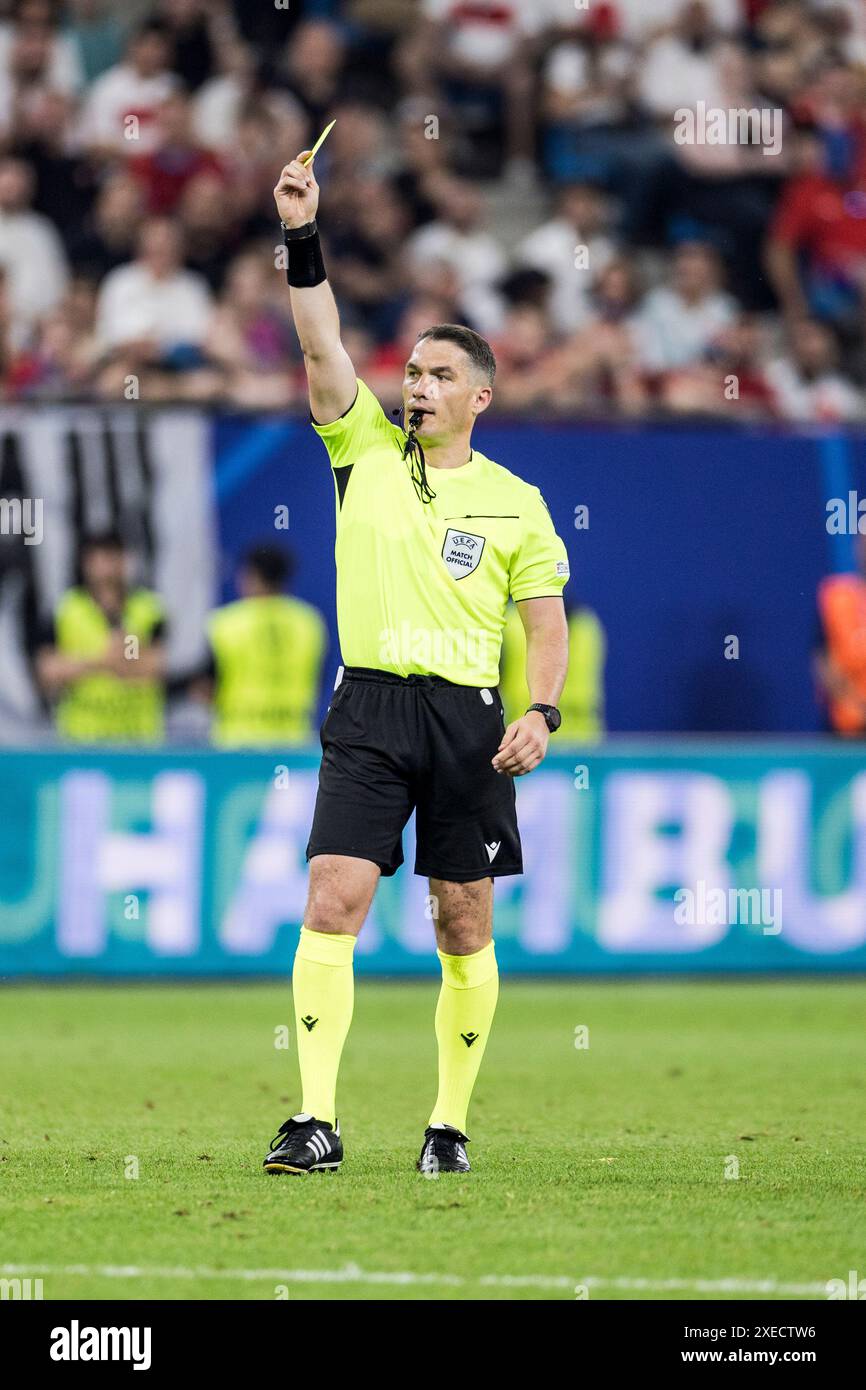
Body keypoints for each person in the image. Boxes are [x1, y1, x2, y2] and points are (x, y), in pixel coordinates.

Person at [262, 143, 570, 1177]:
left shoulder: (517, 503)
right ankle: (313, 1118)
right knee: (332, 894)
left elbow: (543, 624)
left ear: (478, 397)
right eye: (412, 371)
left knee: (461, 917)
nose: (417, 386)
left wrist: (543, 711)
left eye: (440, 375)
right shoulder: (360, 451)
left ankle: (446, 1126)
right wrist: (303, 234)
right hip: (370, 708)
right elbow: (318, 341)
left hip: (470, 721)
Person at [33, 530, 168, 743]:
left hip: (138, 738)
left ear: (124, 561)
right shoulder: (66, 610)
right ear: (85, 564)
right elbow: (48, 672)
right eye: (97, 560)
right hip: (82, 738)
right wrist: (101, 662)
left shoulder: (146, 609)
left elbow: (154, 666)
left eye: (111, 558)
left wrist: (128, 656)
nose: (105, 570)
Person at [203, 544, 326, 746]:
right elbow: (318, 679)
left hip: (238, 742)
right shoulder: (309, 622)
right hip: (295, 741)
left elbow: (206, 686)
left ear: (251, 576)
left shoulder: (225, 623)